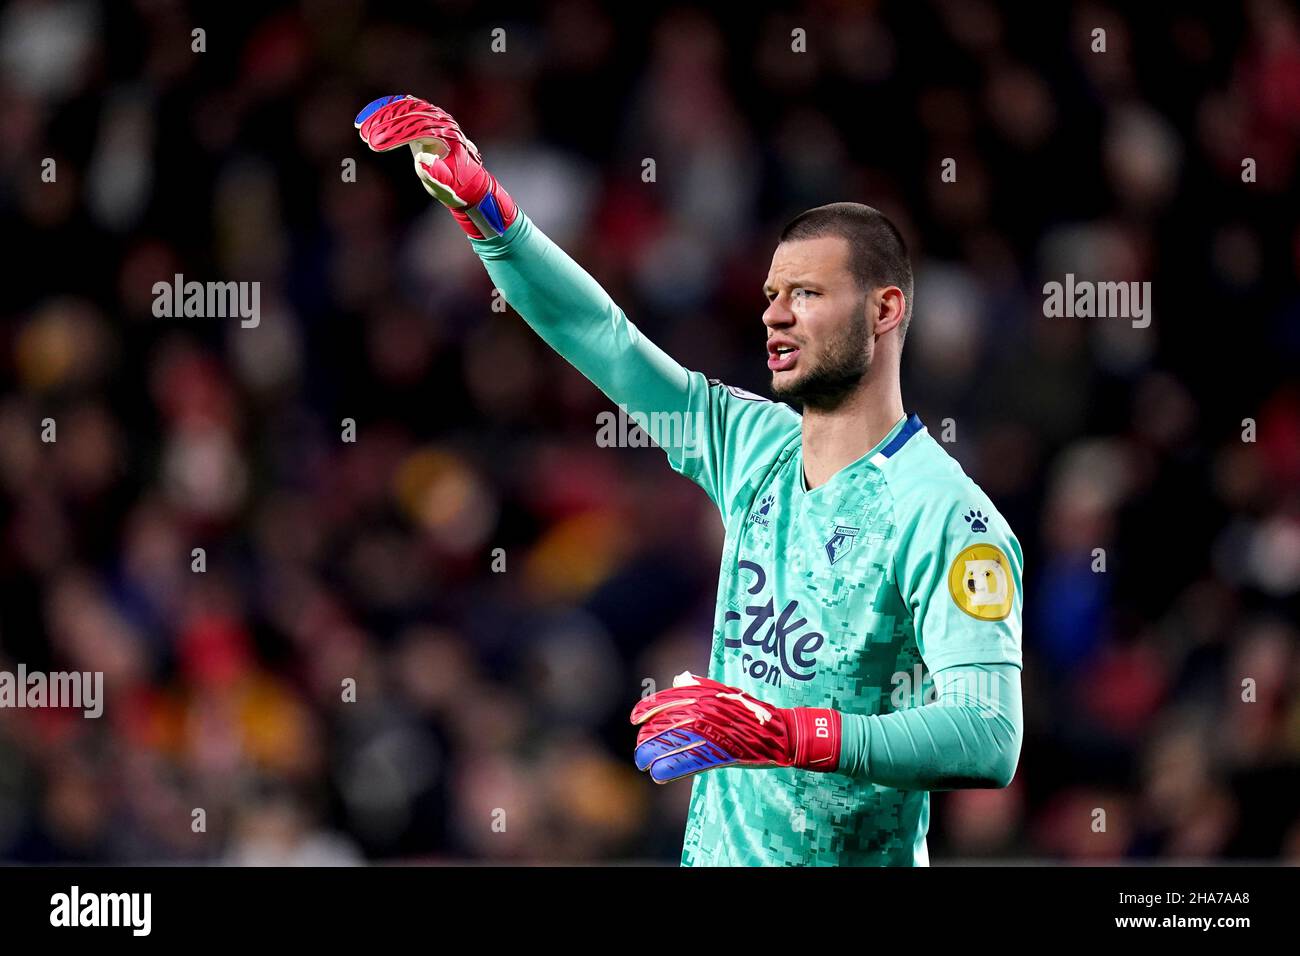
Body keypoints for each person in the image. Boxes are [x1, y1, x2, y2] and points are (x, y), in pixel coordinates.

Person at [357, 94, 1024, 866]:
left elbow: (988, 734)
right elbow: (606, 343)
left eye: (806, 294)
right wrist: (489, 212)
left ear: (885, 310)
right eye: (772, 295)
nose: (776, 316)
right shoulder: (751, 443)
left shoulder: (944, 515)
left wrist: (787, 734)